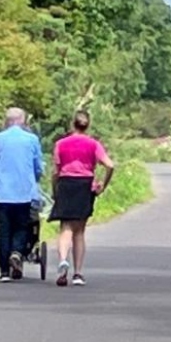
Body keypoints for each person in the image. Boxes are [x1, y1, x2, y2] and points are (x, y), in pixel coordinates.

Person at [49, 110, 115, 287]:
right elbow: (110, 165)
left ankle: (63, 261)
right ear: (88, 125)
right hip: (85, 185)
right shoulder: (93, 144)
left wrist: (54, 190)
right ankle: (78, 273)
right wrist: (103, 184)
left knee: (65, 228)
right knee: (79, 231)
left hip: (66, 184)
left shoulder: (61, 144)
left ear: (73, 124)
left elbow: (55, 171)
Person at [0, 107, 44, 283]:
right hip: (23, 192)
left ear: (6, 121)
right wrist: (35, 179)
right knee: (22, 226)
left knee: (3, 230)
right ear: (23, 121)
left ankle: (3, 272)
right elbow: (38, 166)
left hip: (1, 192)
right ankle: (17, 252)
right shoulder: (32, 140)